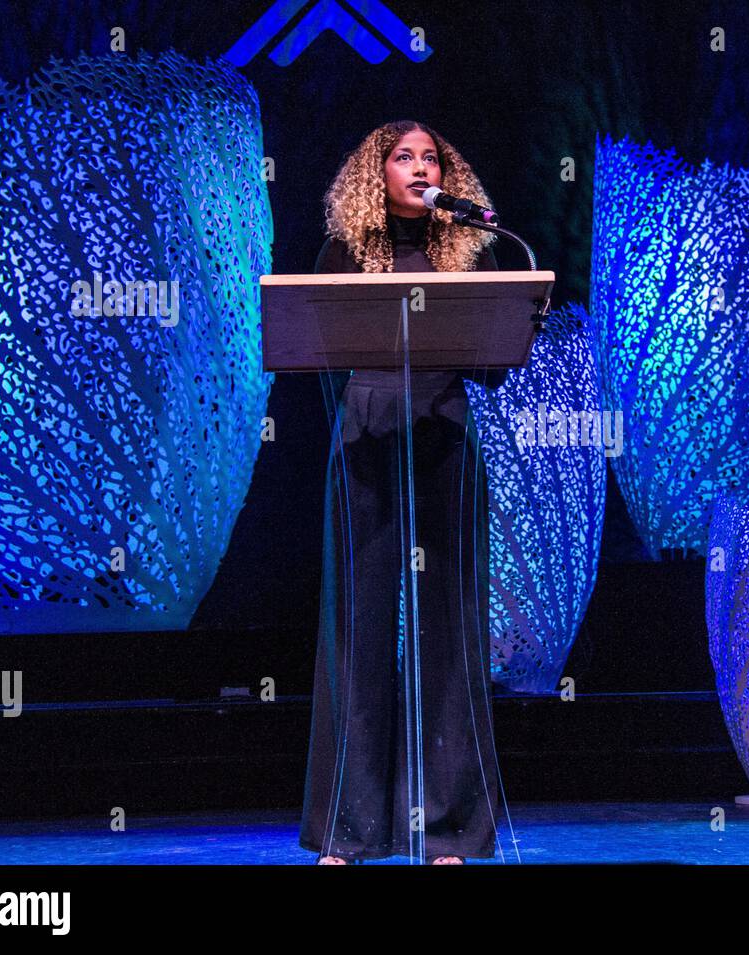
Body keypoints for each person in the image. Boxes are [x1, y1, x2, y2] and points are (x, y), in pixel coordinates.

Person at [299, 121, 508, 865]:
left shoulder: (474, 254)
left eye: (431, 158)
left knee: (448, 633)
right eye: (404, 157)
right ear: (376, 173)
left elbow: (491, 367)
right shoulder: (344, 254)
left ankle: (448, 831)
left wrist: (522, 320)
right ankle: (348, 833)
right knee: (358, 633)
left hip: (444, 444)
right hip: (366, 447)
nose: (420, 167)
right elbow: (314, 349)